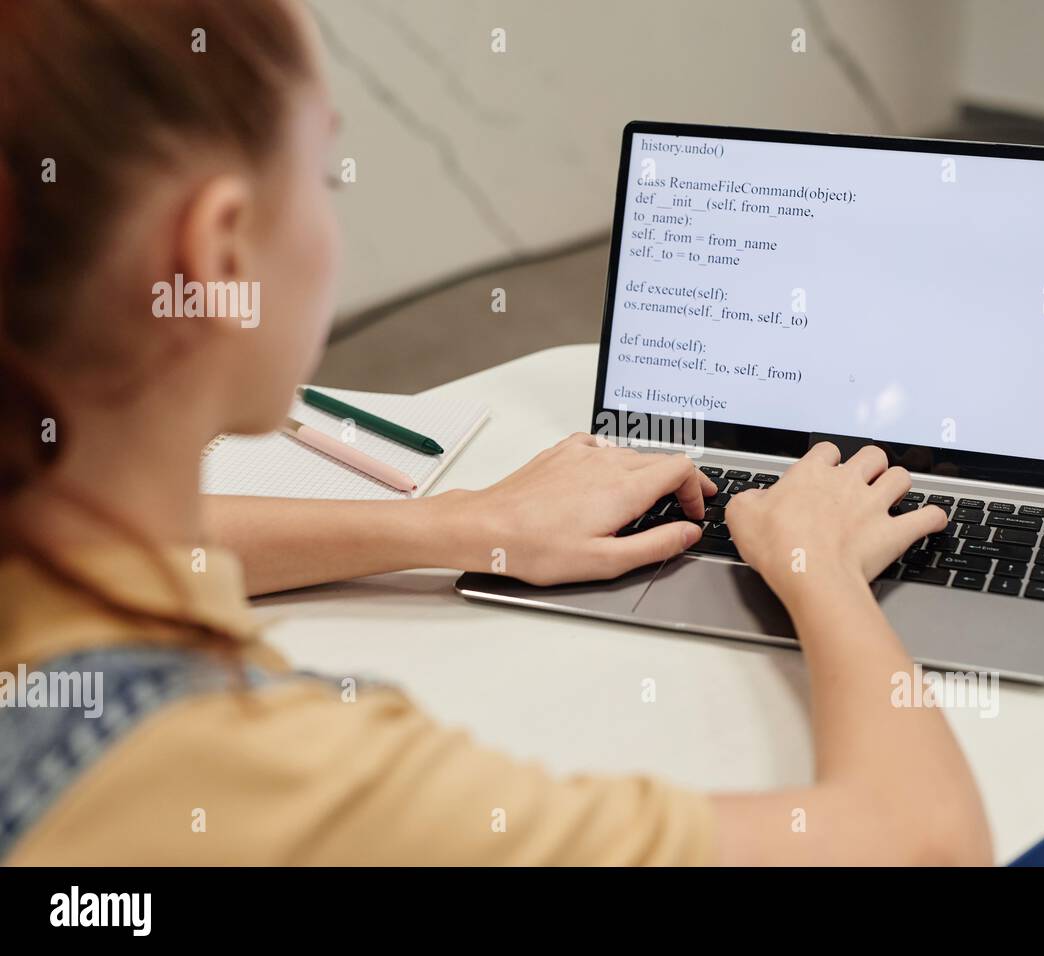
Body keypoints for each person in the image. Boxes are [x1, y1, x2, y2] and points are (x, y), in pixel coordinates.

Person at [0, 0, 991, 865]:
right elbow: (923, 845)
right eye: (324, 173)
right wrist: (815, 561)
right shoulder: (272, 776)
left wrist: (463, 523)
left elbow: (110, 545)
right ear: (216, 253)